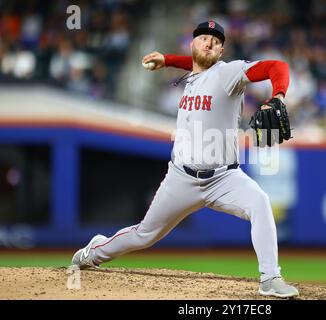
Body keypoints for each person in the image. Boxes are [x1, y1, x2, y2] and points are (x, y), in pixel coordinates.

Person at [72, 20, 299, 298]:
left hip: (224, 177)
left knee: (261, 203)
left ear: (222, 50)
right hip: (180, 178)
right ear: (193, 44)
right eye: (204, 38)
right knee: (145, 235)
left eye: (216, 41)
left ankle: (270, 279)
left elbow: (277, 67)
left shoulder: (229, 73)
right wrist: (167, 59)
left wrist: (277, 96)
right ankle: (94, 251)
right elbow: (194, 65)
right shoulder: (192, 75)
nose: (209, 43)